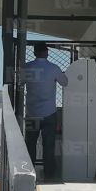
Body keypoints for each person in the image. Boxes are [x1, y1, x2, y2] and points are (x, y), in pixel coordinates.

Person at [22, 43, 68, 179]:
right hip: (49, 113)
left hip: (31, 113)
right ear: (46, 52)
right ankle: (49, 176)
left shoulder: (27, 67)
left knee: (30, 144)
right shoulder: (54, 68)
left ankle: (28, 174)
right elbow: (65, 82)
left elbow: (20, 82)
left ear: (35, 52)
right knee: (48, 146)